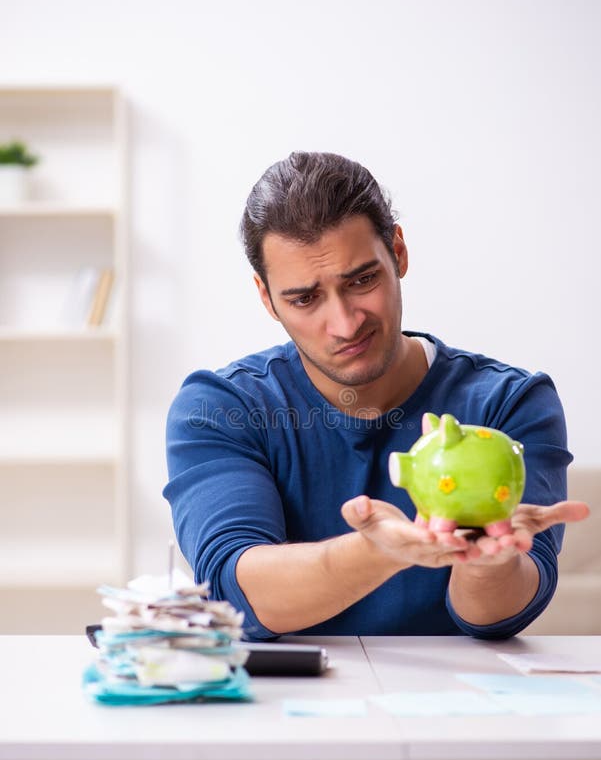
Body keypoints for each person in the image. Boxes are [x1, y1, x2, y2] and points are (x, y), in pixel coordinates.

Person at [163, 151, 588, 641]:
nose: (345, 324)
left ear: (399, 253)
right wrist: (380, 553)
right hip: (276, 711)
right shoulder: (219, 408)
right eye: (304, 299)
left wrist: (485, 560)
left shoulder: (509, 402)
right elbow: (232, 593)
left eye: (362, 280)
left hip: (456, 707)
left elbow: (503, 614)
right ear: (266, 298)